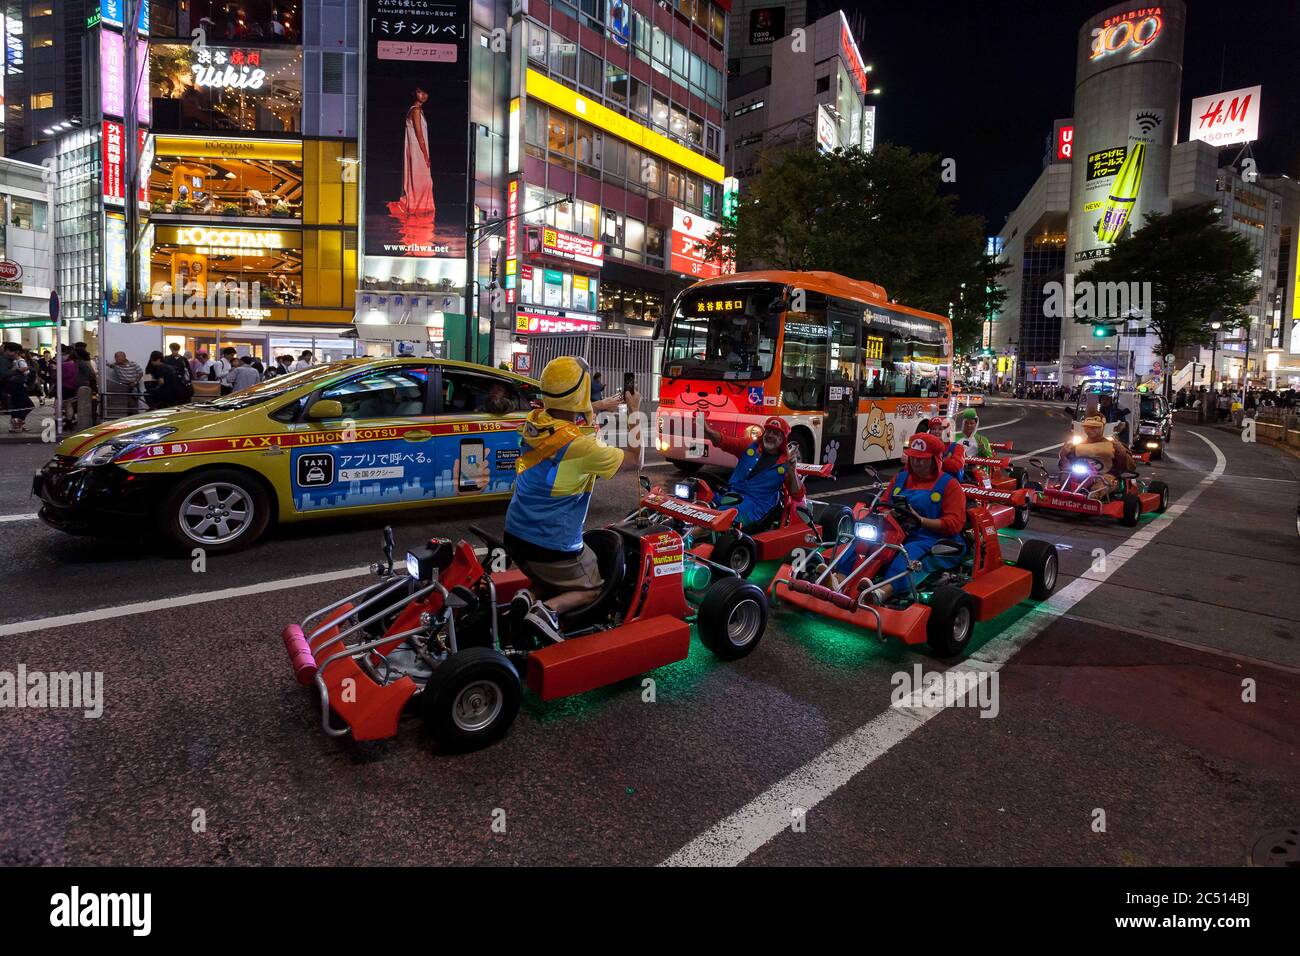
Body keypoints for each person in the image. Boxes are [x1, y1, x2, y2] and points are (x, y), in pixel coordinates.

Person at [503, 356, 642, 642]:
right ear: (581, 394)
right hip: (551, 545)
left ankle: (528, 596)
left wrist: (598, 407)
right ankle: (547, 612)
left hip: (515, 537)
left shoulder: (535, 421)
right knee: (593, 586)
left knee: (552, 578)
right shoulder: (580, 446)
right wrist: (634, 414)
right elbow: (634, 461)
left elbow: (566, 416)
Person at [827, 433, 967, 603]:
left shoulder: (949, 485)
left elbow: (954, 524)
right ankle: (838, 580)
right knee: (862, 542)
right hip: (896, 531)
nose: (916, 462)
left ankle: (883, 591)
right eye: (913, 458)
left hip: (930, 537)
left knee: (908, 553)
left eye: (922, 459)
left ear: (935, 460)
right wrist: (888, 512)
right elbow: (883, 503)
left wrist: (921, 520)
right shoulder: (900, 479)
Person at [696, 414, 804, 530]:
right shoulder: (749, 446)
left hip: (755, 506)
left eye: (776, 433)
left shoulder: (786, 463)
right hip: (730, 495)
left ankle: (686, 541)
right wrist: (706, 429)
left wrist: (792, 471)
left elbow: (798, 495)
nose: (770, 436)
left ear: (783, 440)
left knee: (719, 517)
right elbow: (723, 440)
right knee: (695, 495)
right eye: (768, 431)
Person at [1058, 414, 1135, 500]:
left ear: (1102, 428)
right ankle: (1062, 495)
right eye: (1088, 427)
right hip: (1081, 473)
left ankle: (1091, 500)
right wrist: (1063, 454)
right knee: (1064, 477)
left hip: (1105, 475)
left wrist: (1121, 452)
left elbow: (1130, 466)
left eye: (1095, 427)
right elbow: (1063, 466)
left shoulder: (1114, 445)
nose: (1091, 430)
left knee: (1096, 489)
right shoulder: (1077, 444)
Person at [391, 88, 435, 218]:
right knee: (424, 182)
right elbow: (419, 135)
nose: (423, 95)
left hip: (417, 151)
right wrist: (426, 156)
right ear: (414, 94)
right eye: (419, 92)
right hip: (418, 152)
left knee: (421, 181)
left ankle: (418, 210)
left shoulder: (418, 110)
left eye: (425, 92)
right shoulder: (415, 110)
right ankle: (419, 210)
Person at [1, 342, 34, 433]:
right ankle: (16, 423)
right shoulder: (4, 360)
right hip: (14, 386)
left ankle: (17, 423)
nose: (16, 354)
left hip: (15, 386)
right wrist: (18, 371)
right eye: (15, 352)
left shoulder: (10, 360)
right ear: (7, 351)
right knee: (24, 405)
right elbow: (3, 374)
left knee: (21, 405)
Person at [106, 352, 145, 417]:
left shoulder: (133, 364)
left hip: (133, 385)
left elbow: (140, 373)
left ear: (124, 357)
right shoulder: (116, 365)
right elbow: (110, 365)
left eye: (118, 358)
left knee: (133, 403)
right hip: (123, 386)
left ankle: (134, 418)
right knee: (124, 403)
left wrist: (135, 382)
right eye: (115, 358)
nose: (116, 360)